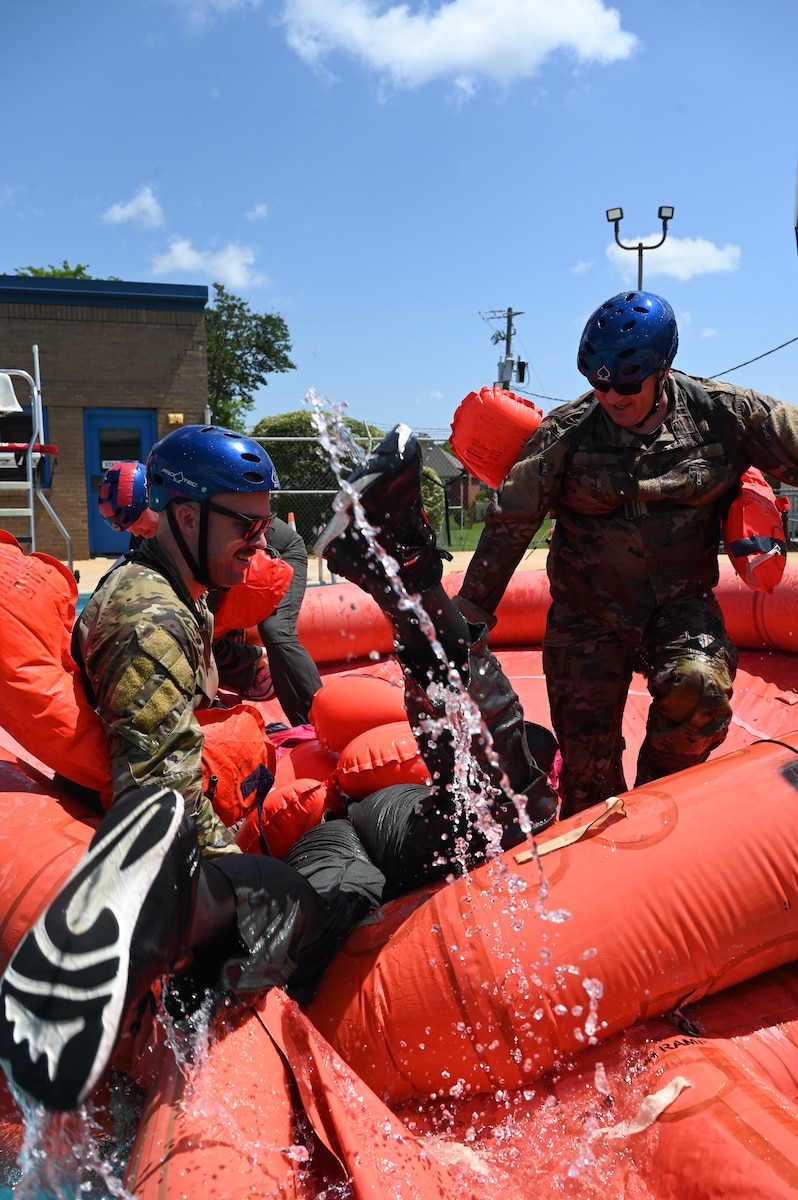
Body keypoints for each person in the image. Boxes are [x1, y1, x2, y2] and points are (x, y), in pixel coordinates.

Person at [0, 422, 555, 1112]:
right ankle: (152, 928)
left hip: (340, 825)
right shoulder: (147, 620)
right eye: (248, 526)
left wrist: (238, 665)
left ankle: (402, 562)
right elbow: (160, 802)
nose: (262, 543)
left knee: (497, 813)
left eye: (265, 525)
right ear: (184, 515)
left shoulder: (181, 596)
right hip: (284, 854)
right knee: (319, 891)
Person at [457, 290, 798, 817]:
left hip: (679, 608)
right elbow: (512, 519)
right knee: (588, 783)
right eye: (599, 382)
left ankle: (654, 805)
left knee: (701, 693)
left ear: (664, 370)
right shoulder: (568, 433)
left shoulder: (725, 414)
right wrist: (470, 614)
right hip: (588, 614)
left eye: (626, 383)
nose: (611, 395)